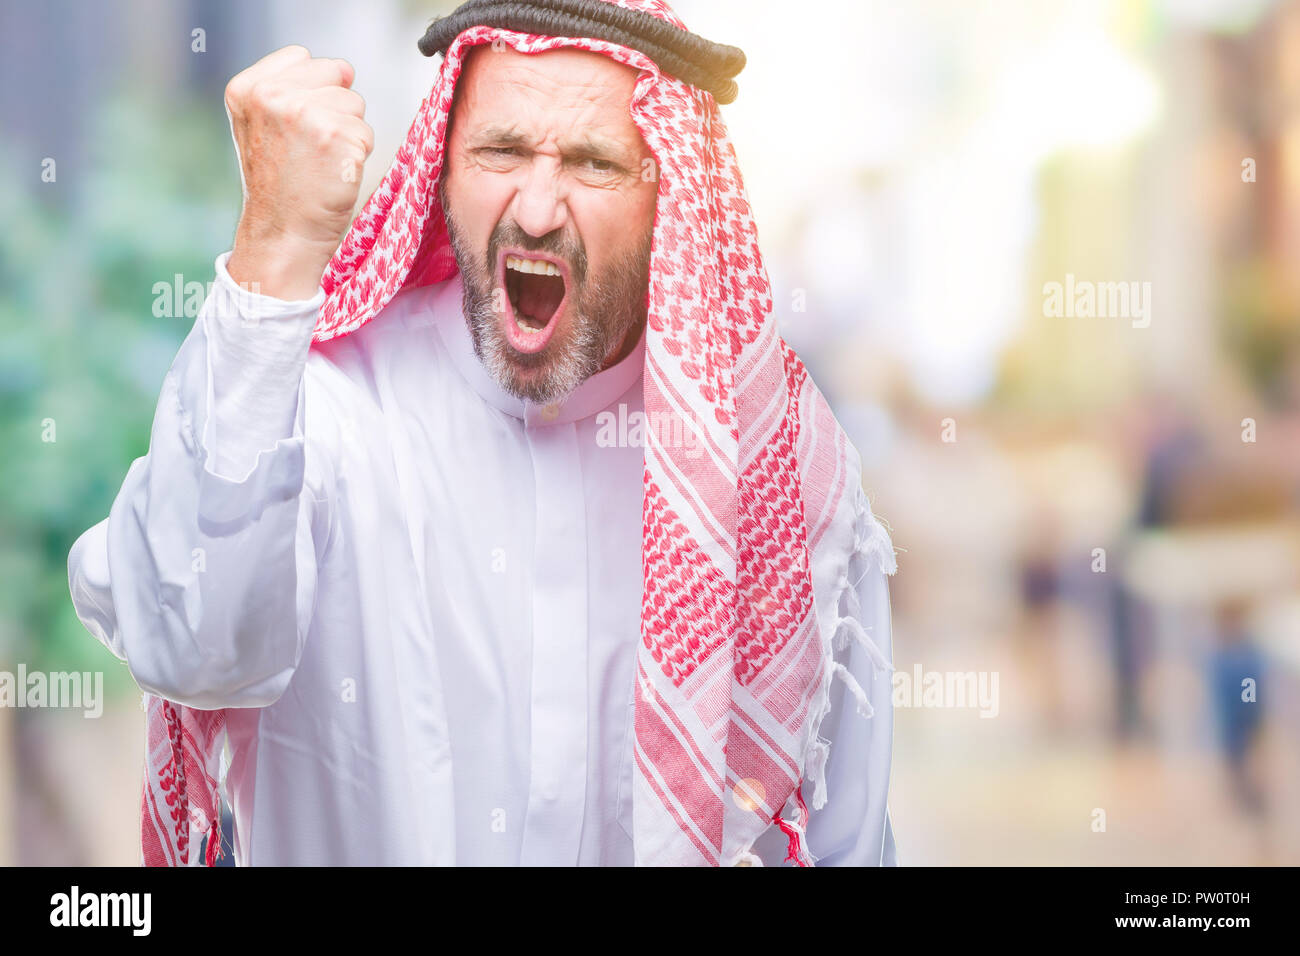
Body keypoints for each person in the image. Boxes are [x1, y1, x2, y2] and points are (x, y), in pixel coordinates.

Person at [67, 0, 899, 866]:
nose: (536, 211)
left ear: (671, 193)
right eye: (501, 151)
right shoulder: (324, 414)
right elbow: (192, 646)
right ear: (443, 166)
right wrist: (274, 247)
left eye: (595, 163)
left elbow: (842, 843)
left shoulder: (775, 470)